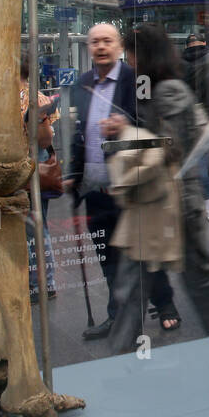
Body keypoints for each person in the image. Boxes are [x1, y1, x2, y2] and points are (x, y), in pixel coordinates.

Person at [108, 23, 209, 342]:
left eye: (132, 52)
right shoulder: (162, 86)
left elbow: (171, 146)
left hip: (176, 199)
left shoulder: (167, 91)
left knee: (196, 275)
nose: (129, 59)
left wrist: (126, 133)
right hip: (167, 198)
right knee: (159, 272)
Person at [66, 23, 139, 340]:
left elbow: (156, 127)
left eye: (107, 41)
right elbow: (78, 132)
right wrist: (72, 172)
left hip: (127, 186)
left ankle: (129, 319)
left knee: (128, 258)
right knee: (107, 256)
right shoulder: (83, 83)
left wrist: (127, 125)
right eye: (95, 42)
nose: (101, 47)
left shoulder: (135, 81)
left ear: (119, 46)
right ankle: (116, 315)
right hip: (94, 188)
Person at [20, 55, 59, 306]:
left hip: (28, 169)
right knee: (31, 226)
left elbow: (46, 140)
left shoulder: (35, 99)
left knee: (34, 226)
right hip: (19, 168)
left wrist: (40, 119)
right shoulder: (35, 96)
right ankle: (36, 280)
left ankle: (42, 282)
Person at [182, 32, 209, 221]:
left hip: (194, 121)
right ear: (205, 43)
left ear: (187, 46)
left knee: (202, 163)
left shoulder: (181, 65)